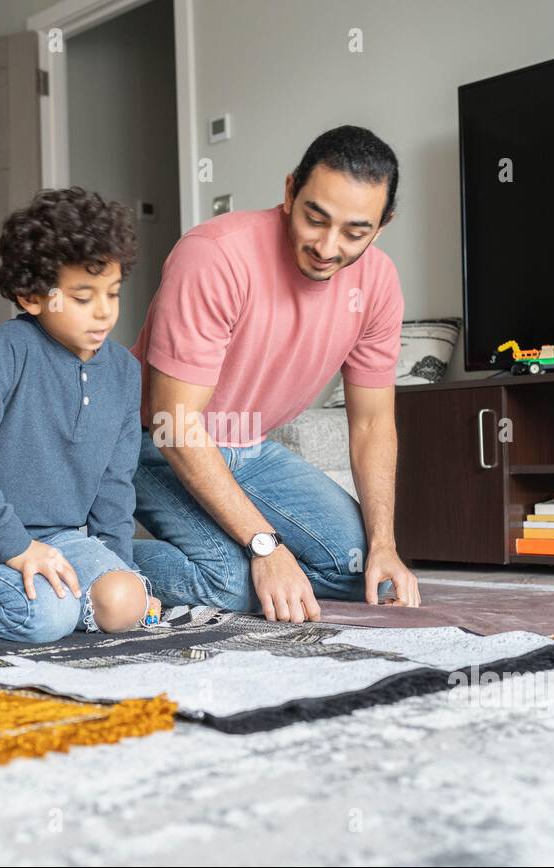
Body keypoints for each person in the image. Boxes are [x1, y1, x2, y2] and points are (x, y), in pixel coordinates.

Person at [131, 126, 423, 623]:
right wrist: (265, 547)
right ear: (290, 191)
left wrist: (384, 544)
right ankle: (76, 553)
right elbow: (174, 424)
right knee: (226, 581)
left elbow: (372, 424)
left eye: (354, 232)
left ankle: (245, 556)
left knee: (361, 572)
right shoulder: (215, 256)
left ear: (382, 224)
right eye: (316, 218)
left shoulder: (378, 283)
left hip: (250, 447)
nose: (328, 247)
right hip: (148, 441)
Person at [0, 187, 160, 643]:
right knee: (47, 618)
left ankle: (86, 593)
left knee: (126, 601)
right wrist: (17, 547)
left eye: (113, 293)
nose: (104, 312)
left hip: (61, 537)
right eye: (83, 297)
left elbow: (114, 483)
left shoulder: (124, 371)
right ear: (31, 296)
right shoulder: (4, 353)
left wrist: (117, 571)